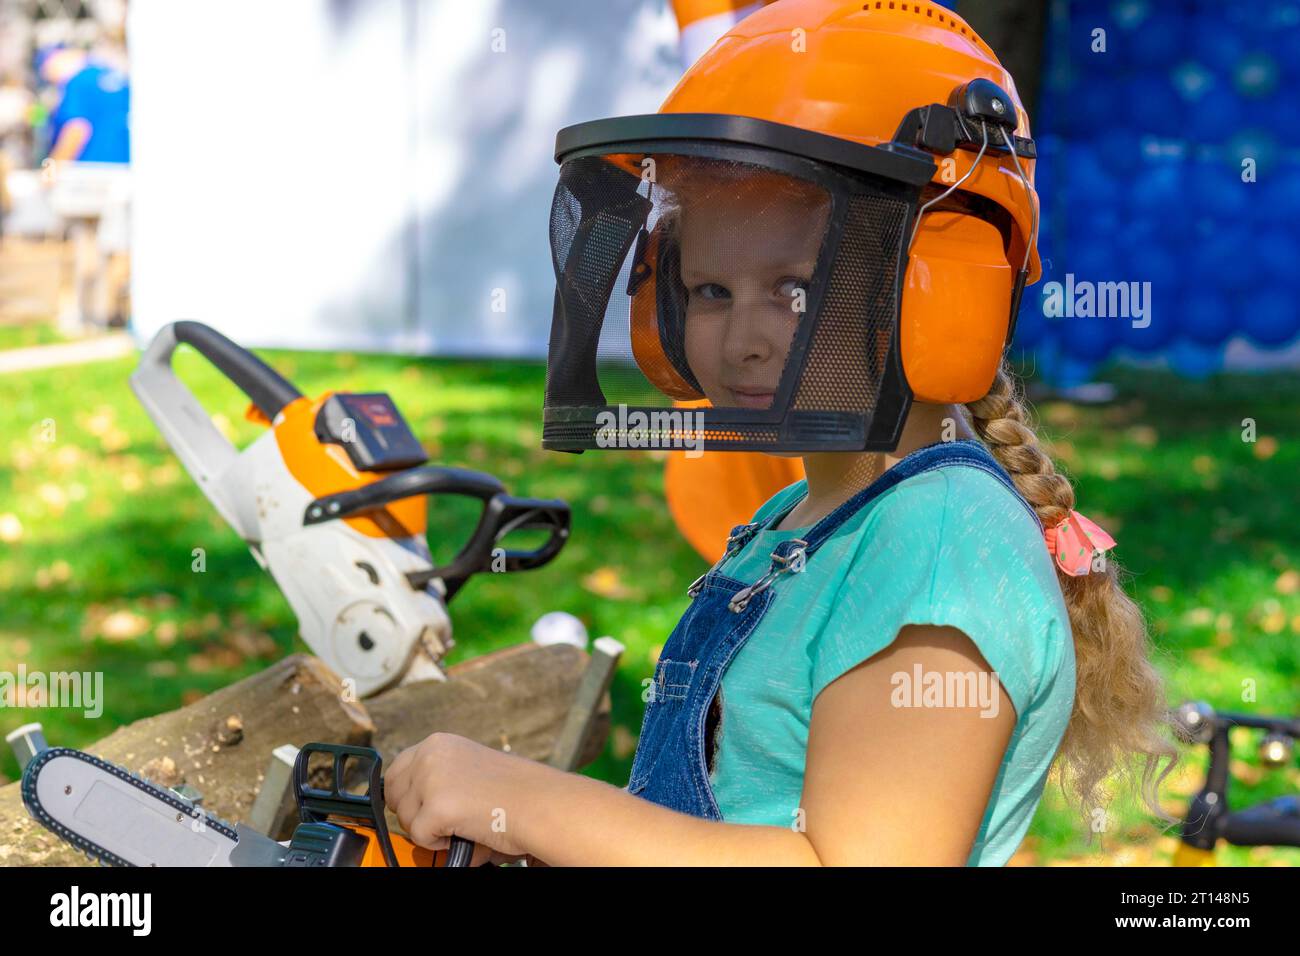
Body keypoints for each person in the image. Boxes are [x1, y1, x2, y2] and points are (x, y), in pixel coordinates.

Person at [383, 1, 1176, 866]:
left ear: (941, 284)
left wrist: (525, 801)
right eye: (711, 289)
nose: (742, 336)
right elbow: (736, 818)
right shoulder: (807, 514)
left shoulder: (935, 546)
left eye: (794, 288)